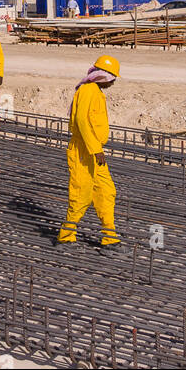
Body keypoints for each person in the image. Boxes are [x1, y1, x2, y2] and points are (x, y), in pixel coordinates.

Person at [57, 55, 121, 248]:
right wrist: (95, 149)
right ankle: (66, 237)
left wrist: (97, 149)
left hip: (95, 151)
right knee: (81, 195)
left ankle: (110, 237)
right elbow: (82, 121)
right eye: (112, 79)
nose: (113, 82)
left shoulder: (96, 92)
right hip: (84, 151)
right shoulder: (87, 90)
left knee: (106, 191)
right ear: (104, 77)